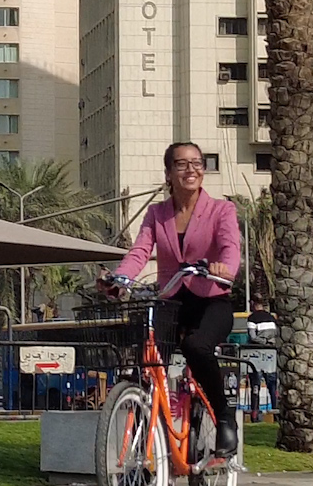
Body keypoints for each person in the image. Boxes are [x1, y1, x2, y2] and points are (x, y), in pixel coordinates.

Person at [100, 140, 244, 456]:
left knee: (196, 346)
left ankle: (224, 417)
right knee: (146, 360)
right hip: (171, 299)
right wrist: (120, 278)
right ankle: (143, 447)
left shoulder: (222, 210)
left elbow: (230, 248)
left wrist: (225, 268)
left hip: (211, 299)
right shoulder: (157, 213)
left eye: (197, 163)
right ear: (169, 172)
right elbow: (140, 251)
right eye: (181, 164)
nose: (190, 170)